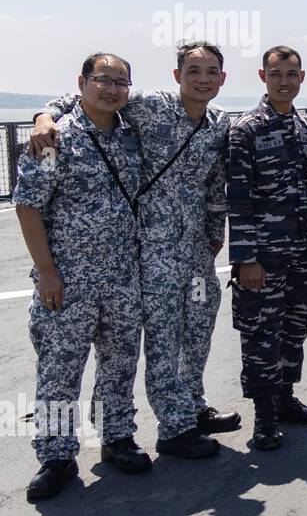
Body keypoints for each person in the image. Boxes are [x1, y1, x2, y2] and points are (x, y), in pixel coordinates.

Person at [31, 40, 237, 458]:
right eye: (193, 71)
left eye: (210, 71)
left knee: (196, 333)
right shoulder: (147, 106)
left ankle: (191, 406)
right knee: (159, 340)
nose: (202, 79)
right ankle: (173, 427)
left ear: (222, 78)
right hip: (151, 254)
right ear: (177, 75)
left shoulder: (219, 122)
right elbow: (92, 94)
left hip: (197, 255)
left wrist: (214, 236)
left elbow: (216, 183)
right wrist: (43, 116)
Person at [17, 54, 148, 500]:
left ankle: (116, 438)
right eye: (103, 80)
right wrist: (48, 273)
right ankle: (56, 457)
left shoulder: (132, 136)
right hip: (67, 281)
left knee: (119, 363)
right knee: (58, 371)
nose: (112, 90)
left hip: (123, 276)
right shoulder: (55, 138)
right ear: (82, 83)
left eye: (121, 82)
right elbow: (28, 205)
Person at [227, 45, 307, 450]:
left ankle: (285, 398)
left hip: (302, 245)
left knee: (295, 327)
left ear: (301, 78)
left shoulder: (305, 126)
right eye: (276, 74)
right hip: (263, 254)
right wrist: (246, 258)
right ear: (262, 77)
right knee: (260, 332)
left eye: (291, 74)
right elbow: (238, 198)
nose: (284, 81)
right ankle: (264, 416)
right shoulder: (247, 129)